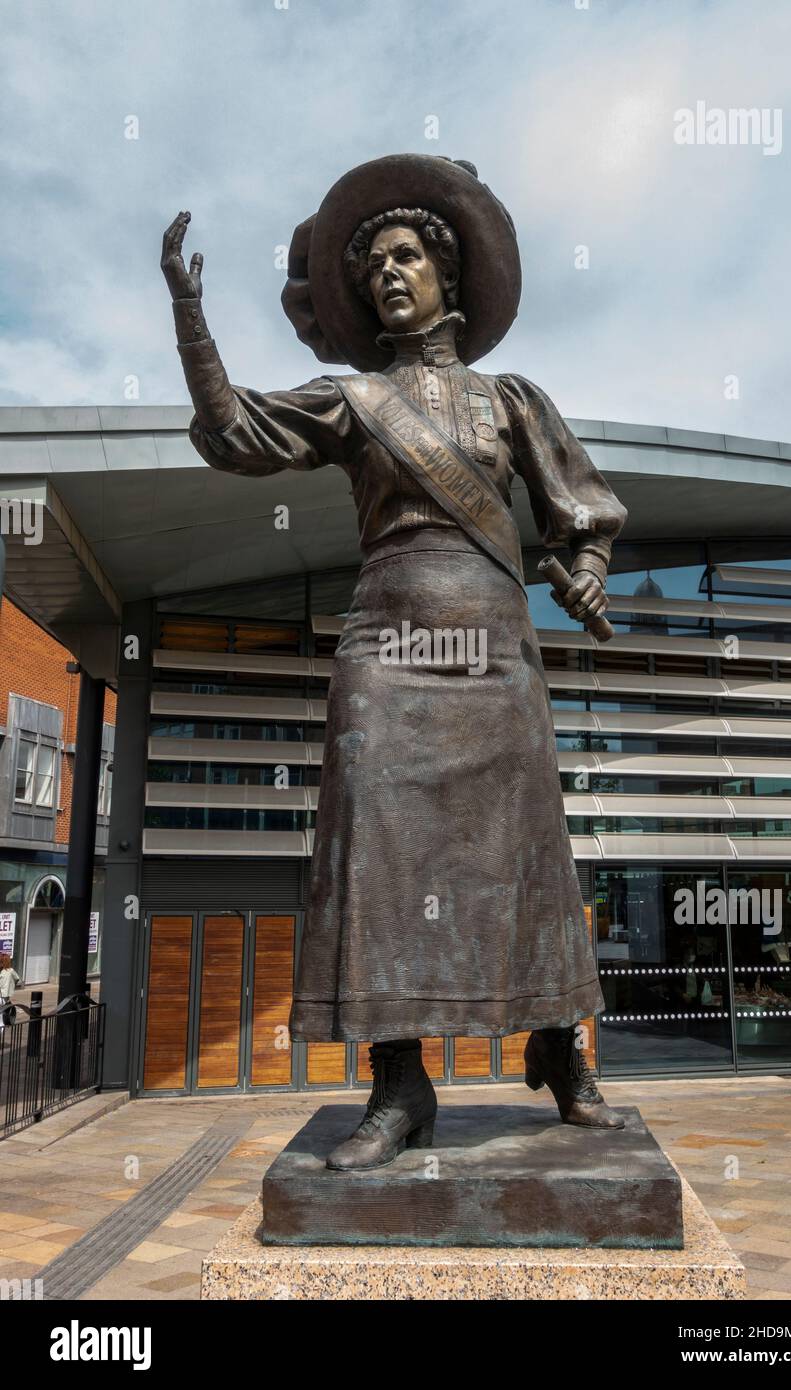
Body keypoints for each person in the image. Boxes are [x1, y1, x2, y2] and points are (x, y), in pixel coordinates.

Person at [162, 154, 628, 1170]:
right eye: (372, 261)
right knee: (377, 849)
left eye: (406, 254)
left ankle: (560, 1049)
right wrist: (191, 321)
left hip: (492, 646)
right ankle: (396, 1081)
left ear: (447, 275)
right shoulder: (353, 403)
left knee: (527, 854)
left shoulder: (512, 401)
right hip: (388, 643)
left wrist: (587, 565)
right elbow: (235, 432)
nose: (387, 272)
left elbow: (581, 516)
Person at [0, 954, 21, 1029]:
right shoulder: (11, 971)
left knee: (2, 1016)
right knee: (2, 1016)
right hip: (5, 996)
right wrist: (11, 986)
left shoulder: (2, 971)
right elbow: (17, 979)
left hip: (2, 996)